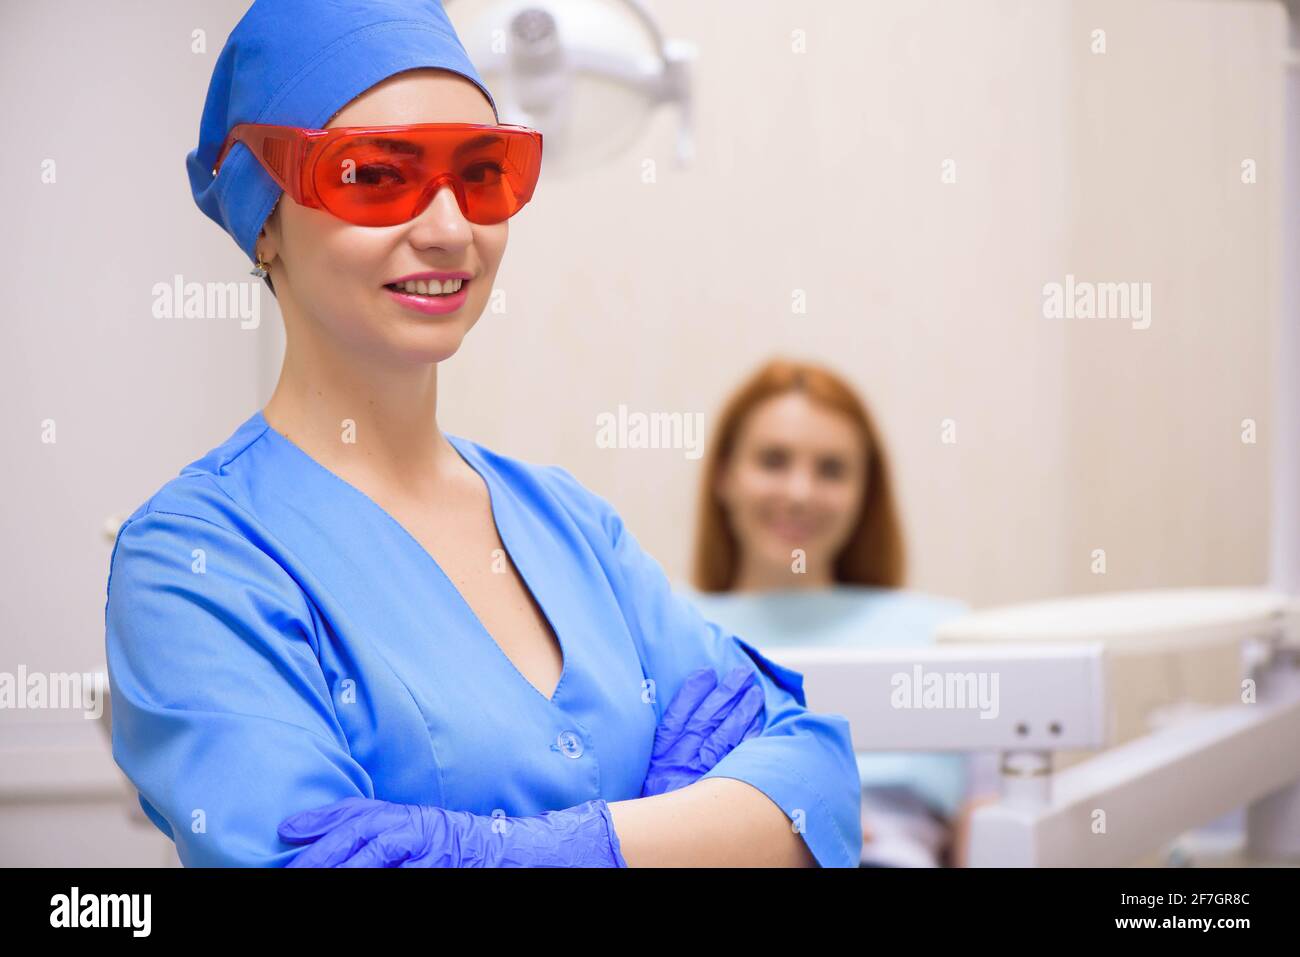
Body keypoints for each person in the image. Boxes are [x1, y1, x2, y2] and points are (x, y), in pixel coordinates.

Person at [103, 0, 862, 867]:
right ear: (264, 218)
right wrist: (684, 820)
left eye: (482, 172)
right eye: (374, 177)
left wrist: (507, 849)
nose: (449, 231)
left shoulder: (570, 523)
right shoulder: (193, 557)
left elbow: (816, 774)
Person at [680, 358, 976, 866]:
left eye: (831, 469)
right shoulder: (668, 629)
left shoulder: (947, 636)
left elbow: (993, 819)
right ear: (724, 475)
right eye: (774, 460)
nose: (799, 493)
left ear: (865, 492)